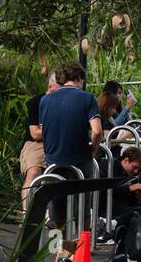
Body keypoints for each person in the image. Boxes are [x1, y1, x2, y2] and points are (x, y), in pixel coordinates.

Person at [39, 61, 103, 230]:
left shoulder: (45, 100)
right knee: (82, 209)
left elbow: (43, 131)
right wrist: (93, 150)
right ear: (80, 79)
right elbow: (97, 131)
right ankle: (81, 248)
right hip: (80, 159)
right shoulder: (87, 98)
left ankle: (59, 251)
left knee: (56, 211)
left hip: (53, 160)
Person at [21, 69, 57, 213]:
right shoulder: (36, 102)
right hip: (36, 144)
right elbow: (35, 133)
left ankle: (53, 214)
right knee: (34, 172)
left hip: (58, 143)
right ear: (51, 87)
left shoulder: (66, 103)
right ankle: (27, 212)